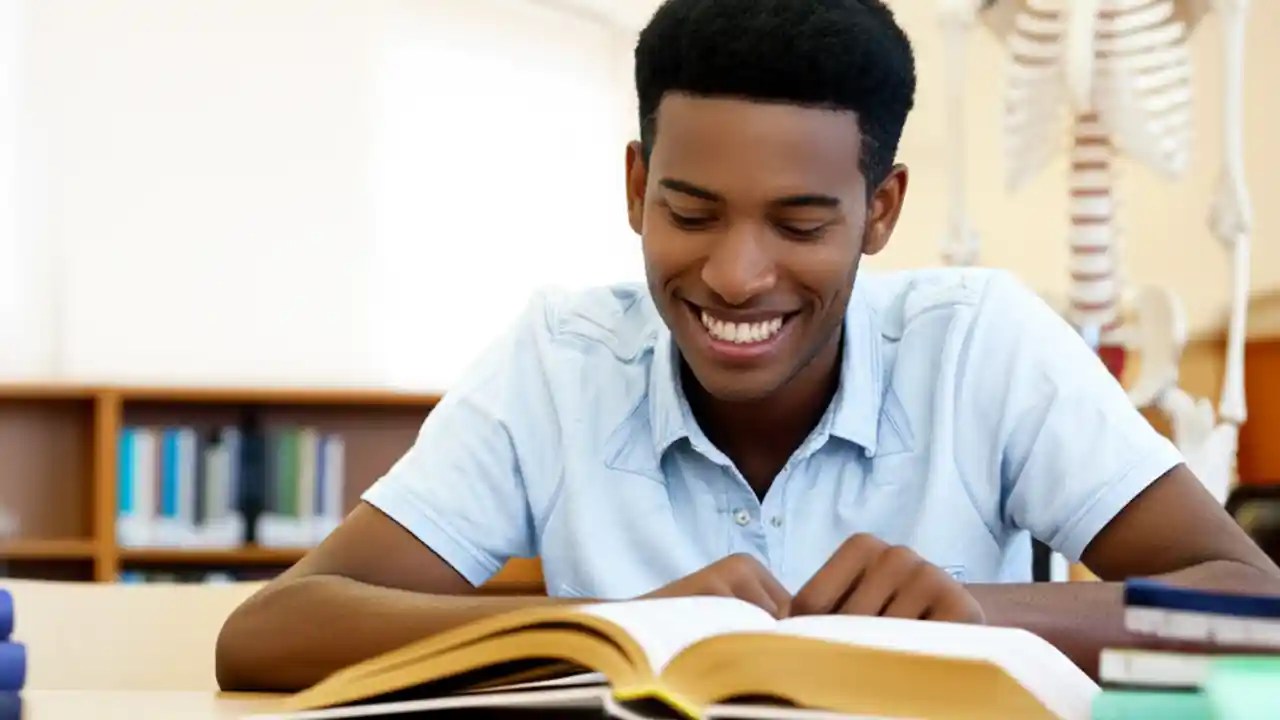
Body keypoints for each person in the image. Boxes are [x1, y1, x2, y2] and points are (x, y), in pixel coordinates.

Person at [216, 0, 1280, 691]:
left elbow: (1254, 604)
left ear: (879, 211)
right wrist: (620, 629)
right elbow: (271, 630)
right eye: (688, 212)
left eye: (800, 224)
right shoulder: (559, 359)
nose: (734, 273)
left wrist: (980, 613)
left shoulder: (980, 345)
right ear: (634, 188)